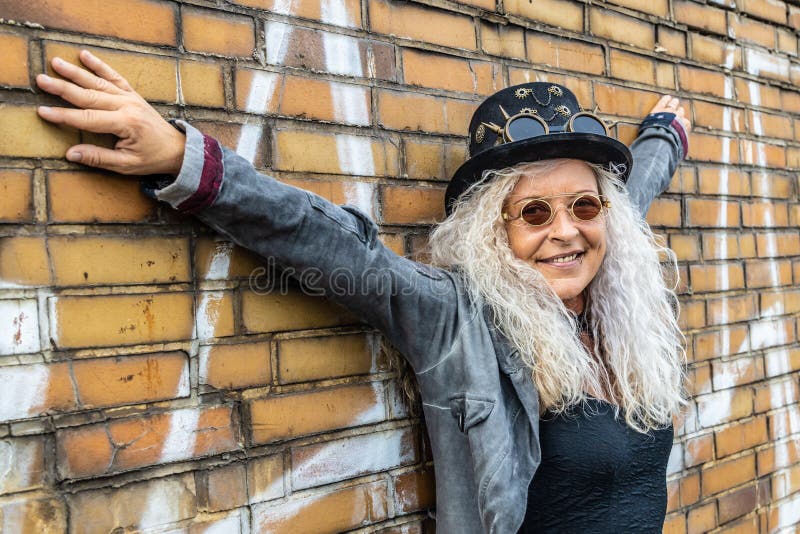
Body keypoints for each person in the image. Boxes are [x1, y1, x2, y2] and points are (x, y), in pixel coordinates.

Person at [36, 50, 691, 533]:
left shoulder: (608, 295)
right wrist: (184, 161)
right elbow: (343, 251)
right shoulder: (457, 321)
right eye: (534, 214)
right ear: (493, 232)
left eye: (583, 205)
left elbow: (633, 197)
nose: (566, 232)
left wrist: (663, 139)